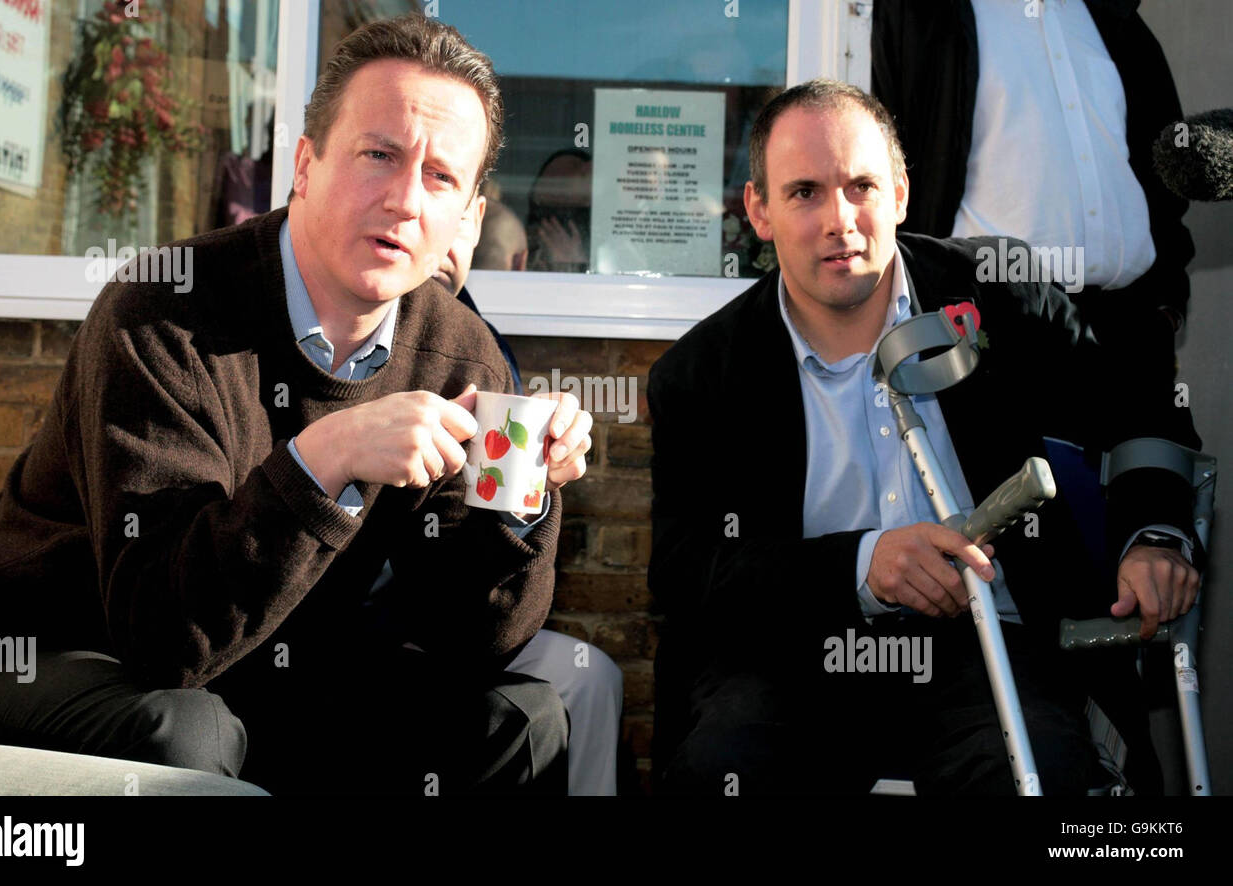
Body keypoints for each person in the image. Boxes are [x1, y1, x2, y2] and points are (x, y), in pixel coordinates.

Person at [0, 14, 594, 796]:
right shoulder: (163, 313)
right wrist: (323, 461)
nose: (406, 200)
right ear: (306, 166)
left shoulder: (461, 354)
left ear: (469, 217)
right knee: (187, 731)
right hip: (40, 653)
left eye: (441, 177)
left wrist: (518, 499)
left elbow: (472, 642)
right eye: (378, 155)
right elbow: (162, 639)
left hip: (263, 667)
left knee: (518, 719)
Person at [647, 79, 1202, 795]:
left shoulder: (994, 293)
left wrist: (1154, 536)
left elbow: (1139, 404)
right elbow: (686, 566)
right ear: (758, 210)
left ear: (902, 193)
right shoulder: (700, 374)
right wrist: (863, 565)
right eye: (805, 192)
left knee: (1045, 779)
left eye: (862, 186)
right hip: (793, 657)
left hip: (990, 649)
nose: (839, 220)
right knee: (723, 772)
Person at [423, 192, 624, 796]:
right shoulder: (358, 325)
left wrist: (534, 482)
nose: (443, 250)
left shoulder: (480, 341)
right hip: (344, 620)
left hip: (448, 613)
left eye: (462, 229)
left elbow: (491, 555)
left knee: (592, 678)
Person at [870, 0, 1192, 351]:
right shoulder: (918, 16)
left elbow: (1167, 176)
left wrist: (1166, 307)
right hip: (989, 333)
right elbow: (879, 168)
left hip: (1129, 331)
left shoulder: (1114, 18)